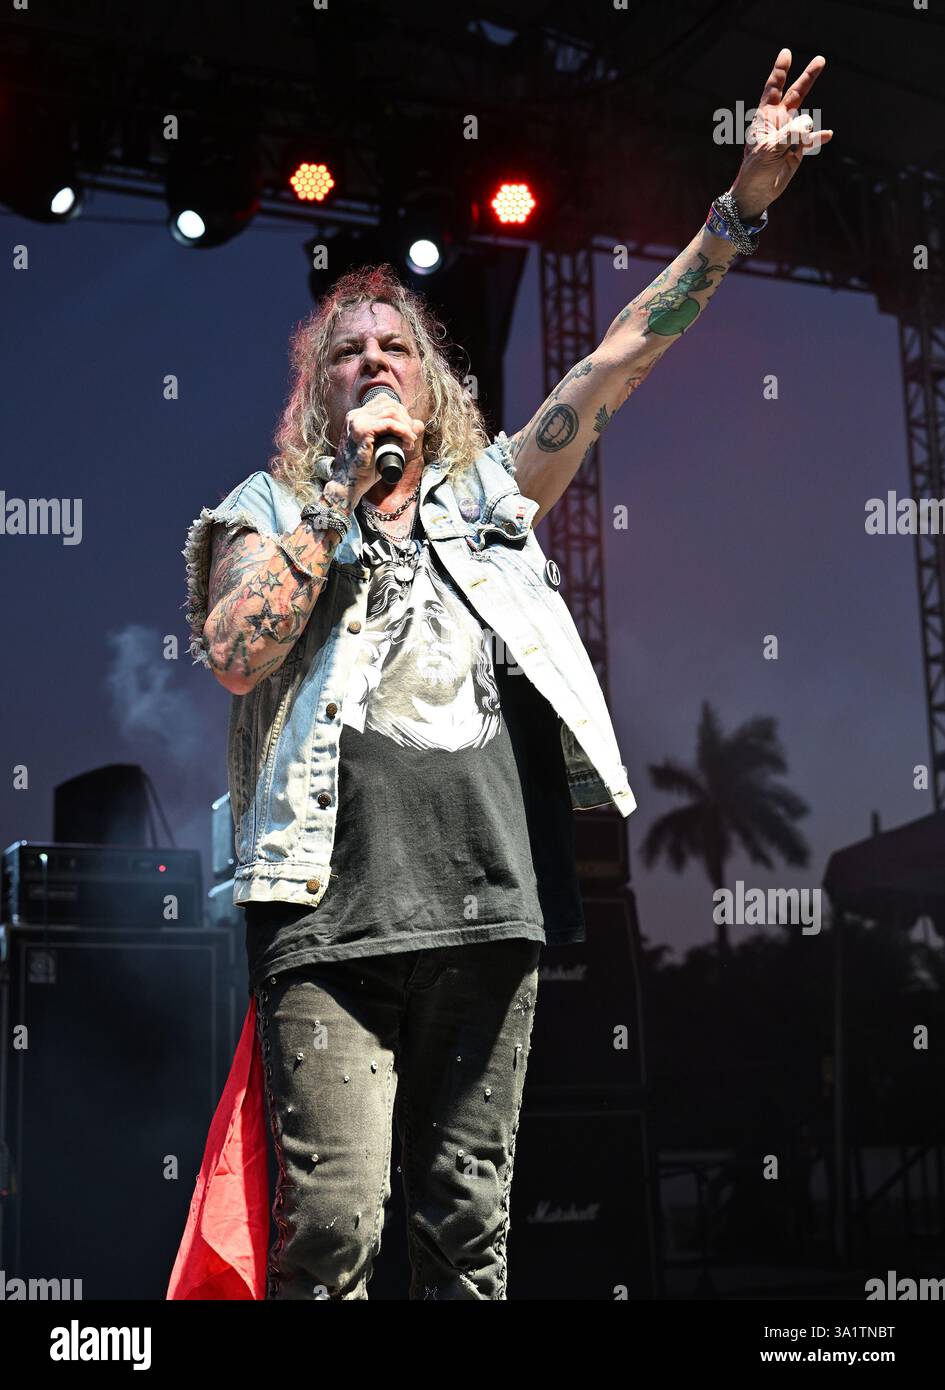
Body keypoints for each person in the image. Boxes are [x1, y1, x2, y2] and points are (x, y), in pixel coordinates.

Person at [174, 49, 832, 1300]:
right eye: (349, 353)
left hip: (489, 909)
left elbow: (618, 361)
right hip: (326, 925)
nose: (374, 358)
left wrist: (738, 210)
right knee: (337, 1238)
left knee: (468, 1242)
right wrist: (337, 505)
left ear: (434, 389)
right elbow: (233, 652)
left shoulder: (492, 502)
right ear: (324, 399)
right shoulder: (269, 508)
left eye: (396, 347)